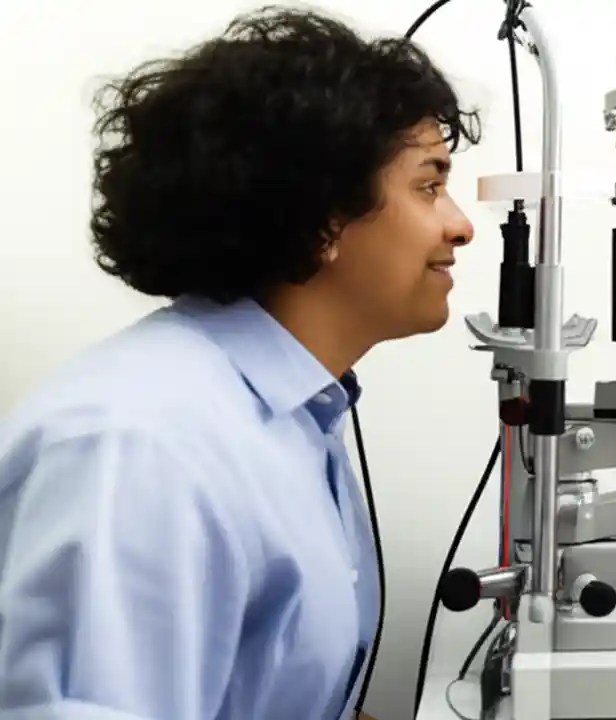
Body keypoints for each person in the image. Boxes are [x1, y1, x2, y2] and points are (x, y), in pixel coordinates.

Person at [0, 7, 478, 720]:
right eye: (428, 185)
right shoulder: (141, 448)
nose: (460, 224)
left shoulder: (294, 416)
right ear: (323, 219)